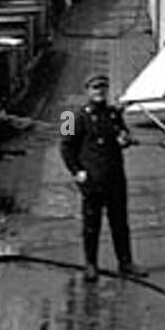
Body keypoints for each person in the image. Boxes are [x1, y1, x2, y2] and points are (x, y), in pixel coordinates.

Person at [60, 74, 141, 281]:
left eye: (103, 88)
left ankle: (126, 262)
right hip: (92, 180)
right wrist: (76, 171)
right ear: (87, 90)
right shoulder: (71, 116)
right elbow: (65, 147)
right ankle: (90, 264)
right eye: (96, 88)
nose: (100, 92)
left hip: (115, 177)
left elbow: (123, 134)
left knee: (120, 223)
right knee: (91, 224)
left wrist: (125, 139)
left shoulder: (113, 113)